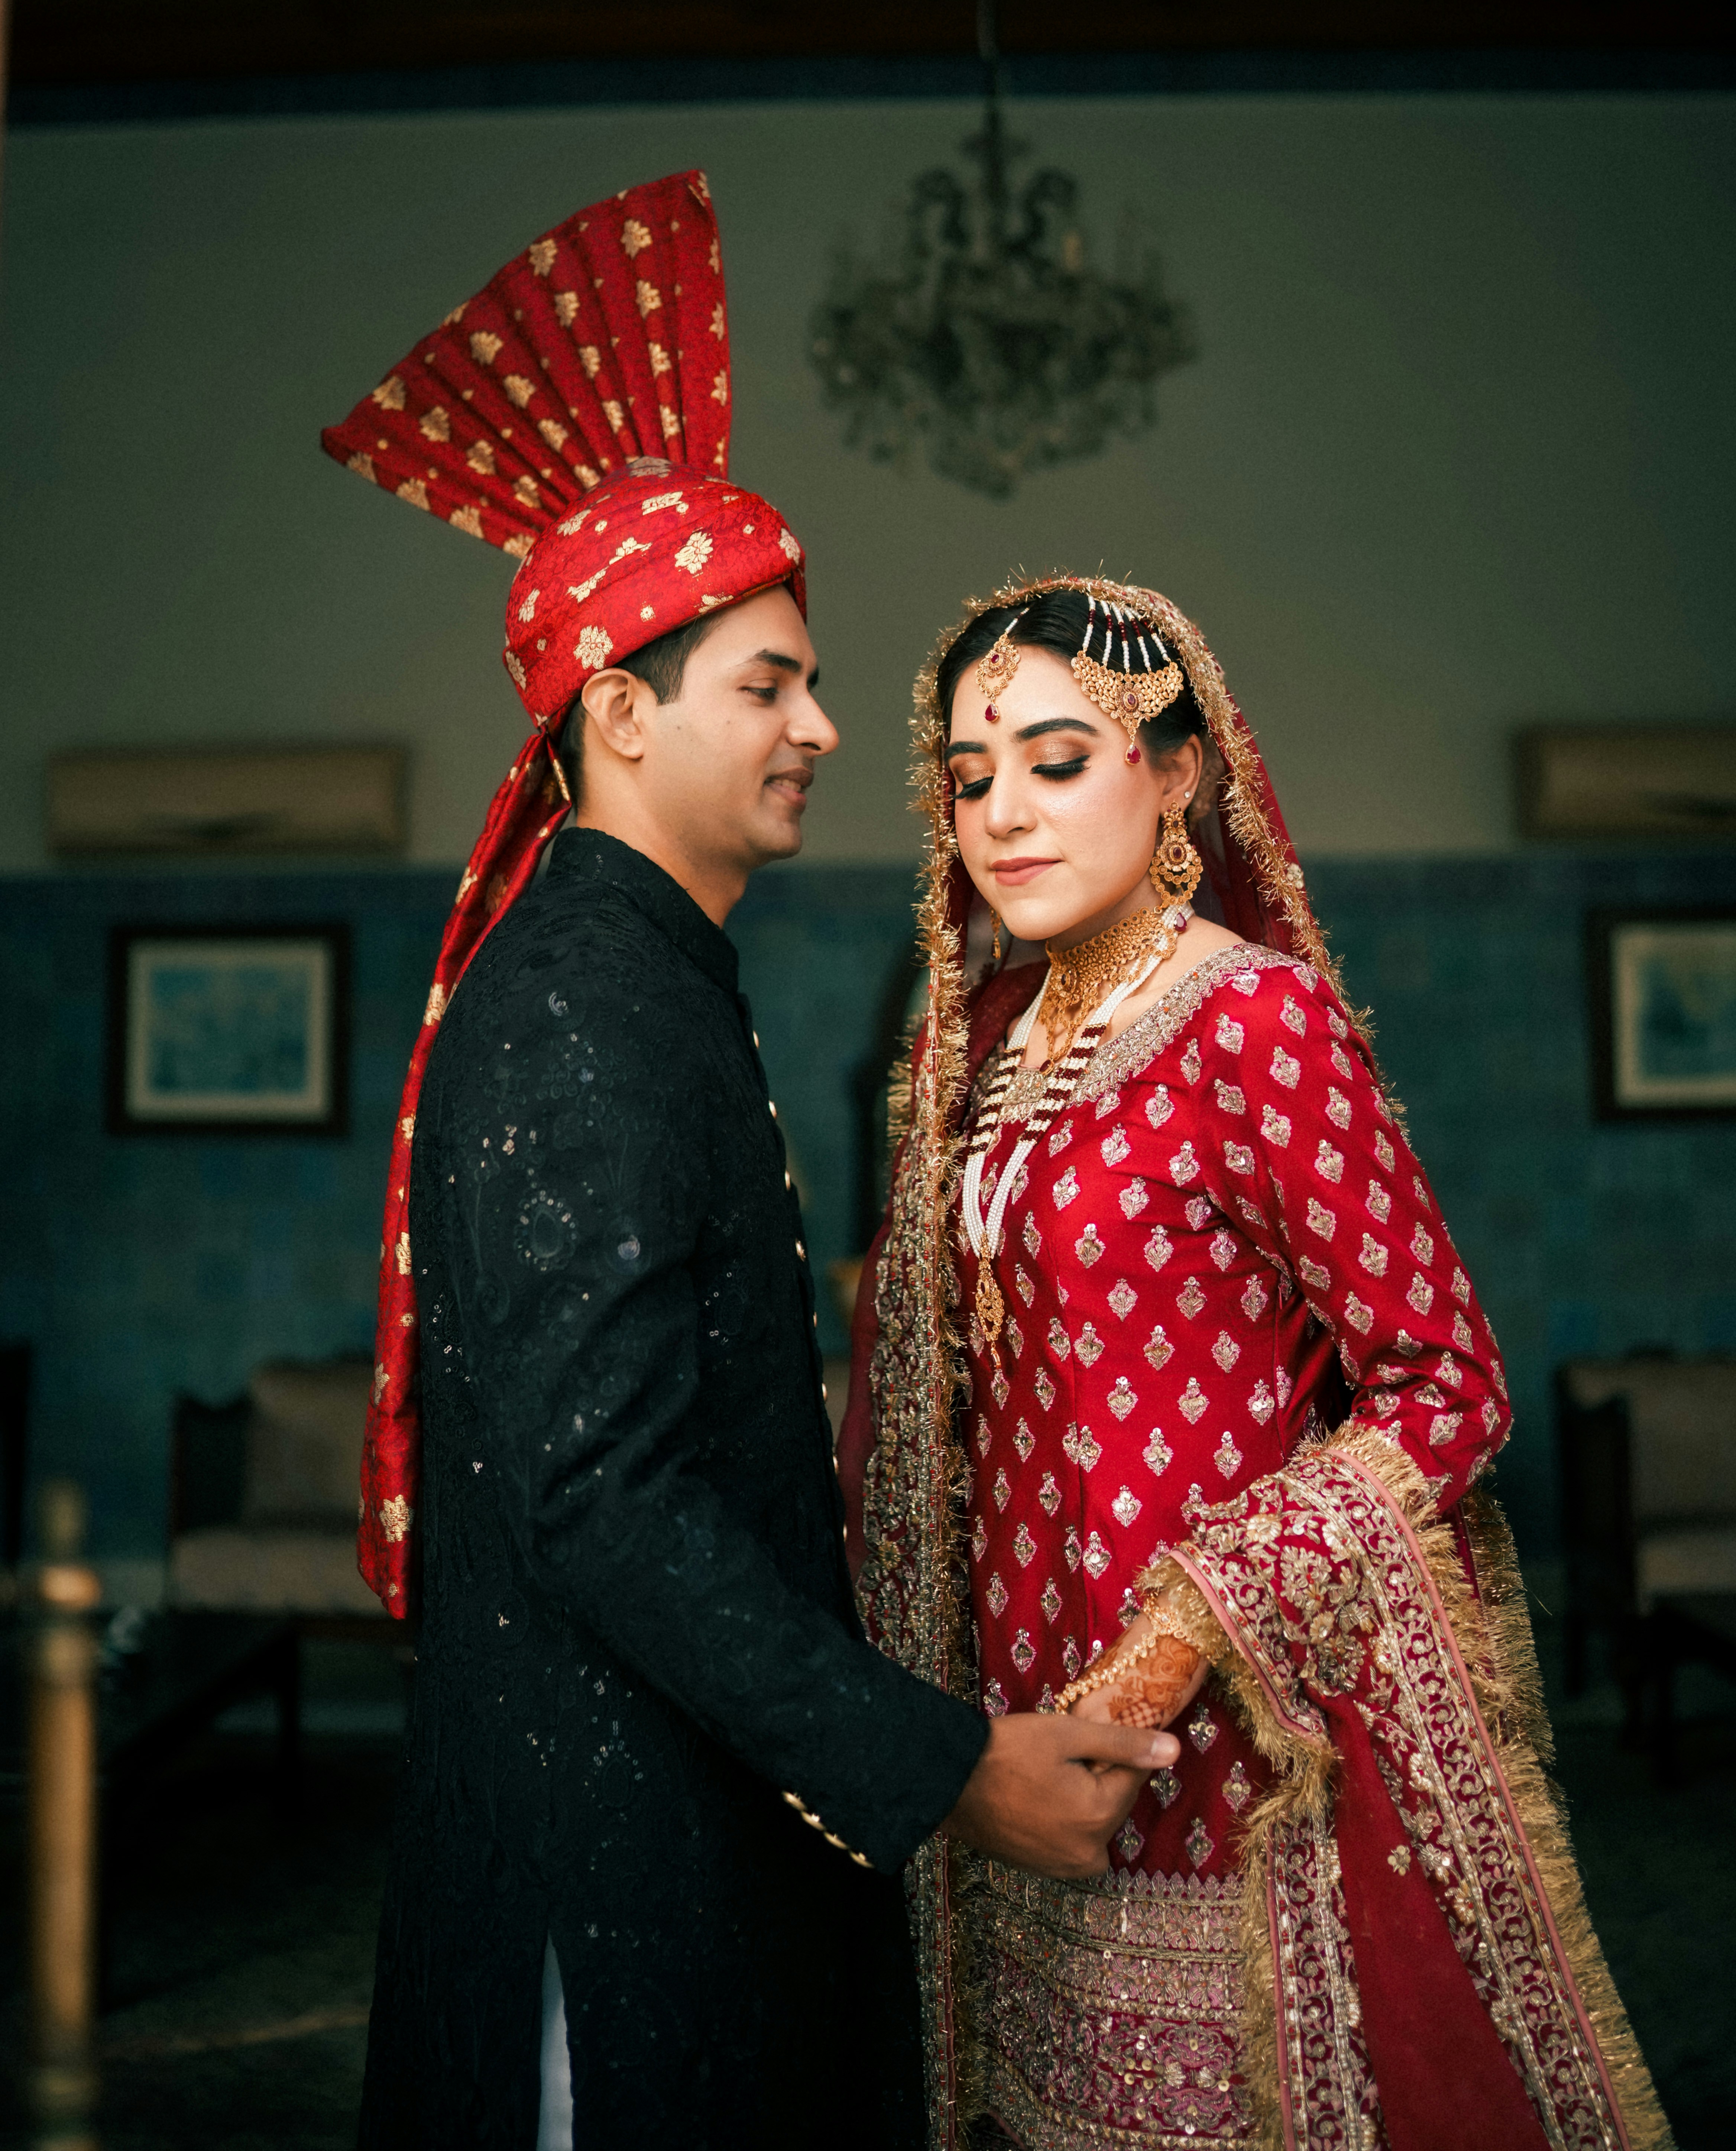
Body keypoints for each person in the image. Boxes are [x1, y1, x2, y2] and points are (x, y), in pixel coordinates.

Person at [322, 181, 1176, 2151]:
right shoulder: (582, 1007)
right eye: (765, 685)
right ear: (616, 714)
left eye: (809, 681)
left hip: (687, 1842)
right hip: (614, 1893)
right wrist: (950, 1764)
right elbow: (608, 1505)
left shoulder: (648, 977)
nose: (815, 728)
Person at [840, 575, 1669, 2151]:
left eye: (1057, 760)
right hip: (1008, 1765)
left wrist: (1180, 1637)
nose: (1001, 813)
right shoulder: (988, 1041)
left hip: (1219, 1758)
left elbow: (1448, 1385)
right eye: (967, 776)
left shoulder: (1252, 1021)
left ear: (1176, 773)